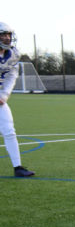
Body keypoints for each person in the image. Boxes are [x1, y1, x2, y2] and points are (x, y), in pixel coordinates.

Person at [0, 22, 35, 177]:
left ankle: (18, 167)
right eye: (3, 35)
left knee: (9, 131)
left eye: (8, 35)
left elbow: (12, 75)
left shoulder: (13, 54)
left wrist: (5, 94)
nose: (7, 38)